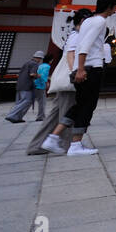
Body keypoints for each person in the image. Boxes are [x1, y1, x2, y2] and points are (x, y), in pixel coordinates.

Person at [41, 0, 116, 155]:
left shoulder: (88, 21)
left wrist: (77, 67)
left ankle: (53, 138)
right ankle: (75, 145)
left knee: (79, 105)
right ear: (110, 6)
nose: (115, 10)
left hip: (81, 68)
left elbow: (80, 44)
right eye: (115, 6)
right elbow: (85, 46)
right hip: (90, 68)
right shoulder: (100, 21)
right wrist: (82, 69)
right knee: (88, 106)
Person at [28, 9, 91, 155]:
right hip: (70, 79)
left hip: (66, 79)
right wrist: (75, 74)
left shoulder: (74, 35)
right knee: (68, 112)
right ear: (83, 21)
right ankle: (69, 144)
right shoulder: (77, 36)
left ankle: (37, 146)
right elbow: (71, 56)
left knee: (55, 116)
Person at [3, 51, 44, 123]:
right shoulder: (35, 64)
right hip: (27, 85)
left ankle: (17, 118)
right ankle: (11, 115)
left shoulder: (27, 63)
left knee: (21, 101)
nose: (40, 61)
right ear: (39, 58)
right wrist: (38, 75)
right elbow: (32, 74)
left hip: (20, 84)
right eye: (40, 59)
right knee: (27, 101)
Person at [33, 56, 50, 122]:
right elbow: (44, 76)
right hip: (41, 85)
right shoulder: (47, 66)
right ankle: (41, 116)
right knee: (42, 102)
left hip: (36, 84)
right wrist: (46, 83)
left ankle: (41, 116)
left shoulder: (40, 66)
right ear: (50, 60)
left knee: (40, 101)